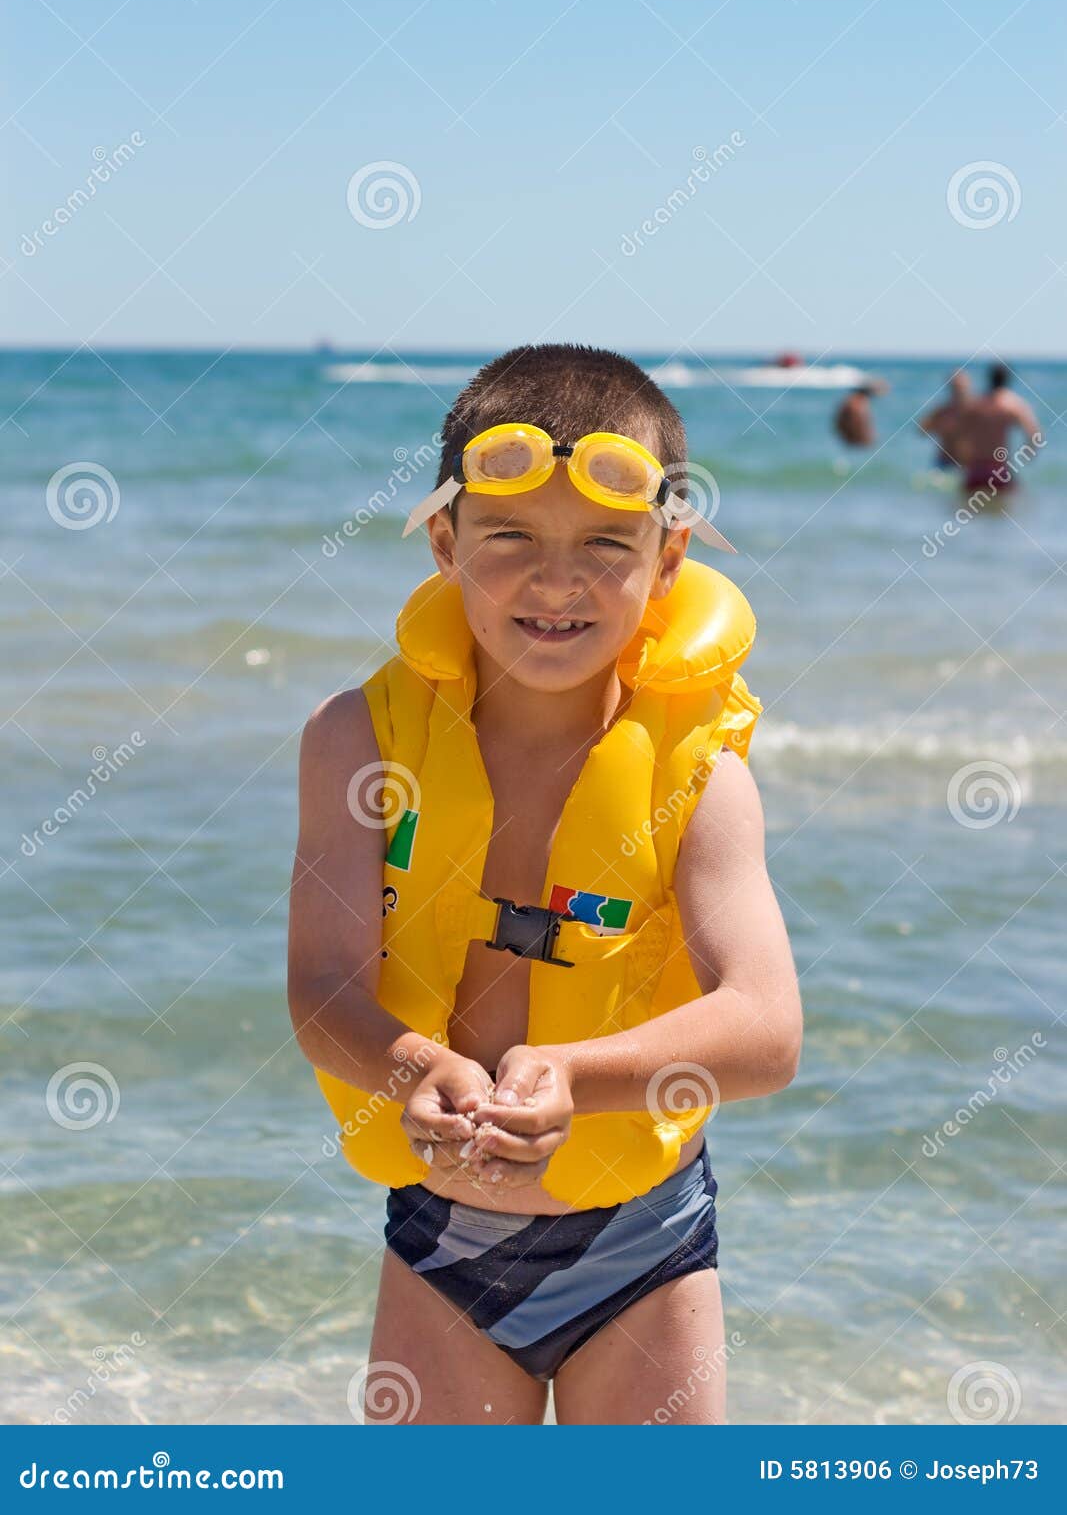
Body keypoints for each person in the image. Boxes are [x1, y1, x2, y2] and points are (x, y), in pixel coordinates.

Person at [288, 344, 801, 1426]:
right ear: (444, 541)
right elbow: (323, 985)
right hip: (442, 1239)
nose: (555, 581)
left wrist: (573, 1075)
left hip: (640, 1242)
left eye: (603, 546)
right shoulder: (355, 744)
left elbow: (764, 1030)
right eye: (510, 537)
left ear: (666, 560)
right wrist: (409, 1063)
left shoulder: (697, 776)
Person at [951, 362, 1042, 493]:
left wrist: (961, 458)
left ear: (989, 378)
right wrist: (1029, 453)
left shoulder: (976, 404)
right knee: (1008, 506)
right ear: (1008, 379)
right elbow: (1034, 433)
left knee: (969, 508)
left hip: (975, 469)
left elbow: (959, 433)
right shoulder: (1013, 404)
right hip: (998, 470)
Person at [918, 369, 973, 470]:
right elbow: (921, 431)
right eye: (955, 389)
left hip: (968, 463)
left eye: (961, 389)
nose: (958, 393)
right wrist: (941, 428)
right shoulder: (942, 412)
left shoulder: (976, 410)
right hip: (944, 462)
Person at [833, 377, 889, 447]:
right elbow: (861, 422)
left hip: (848, 439)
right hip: (855, 441)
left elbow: (838, 423)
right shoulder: (859, 403)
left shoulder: (850, 400)